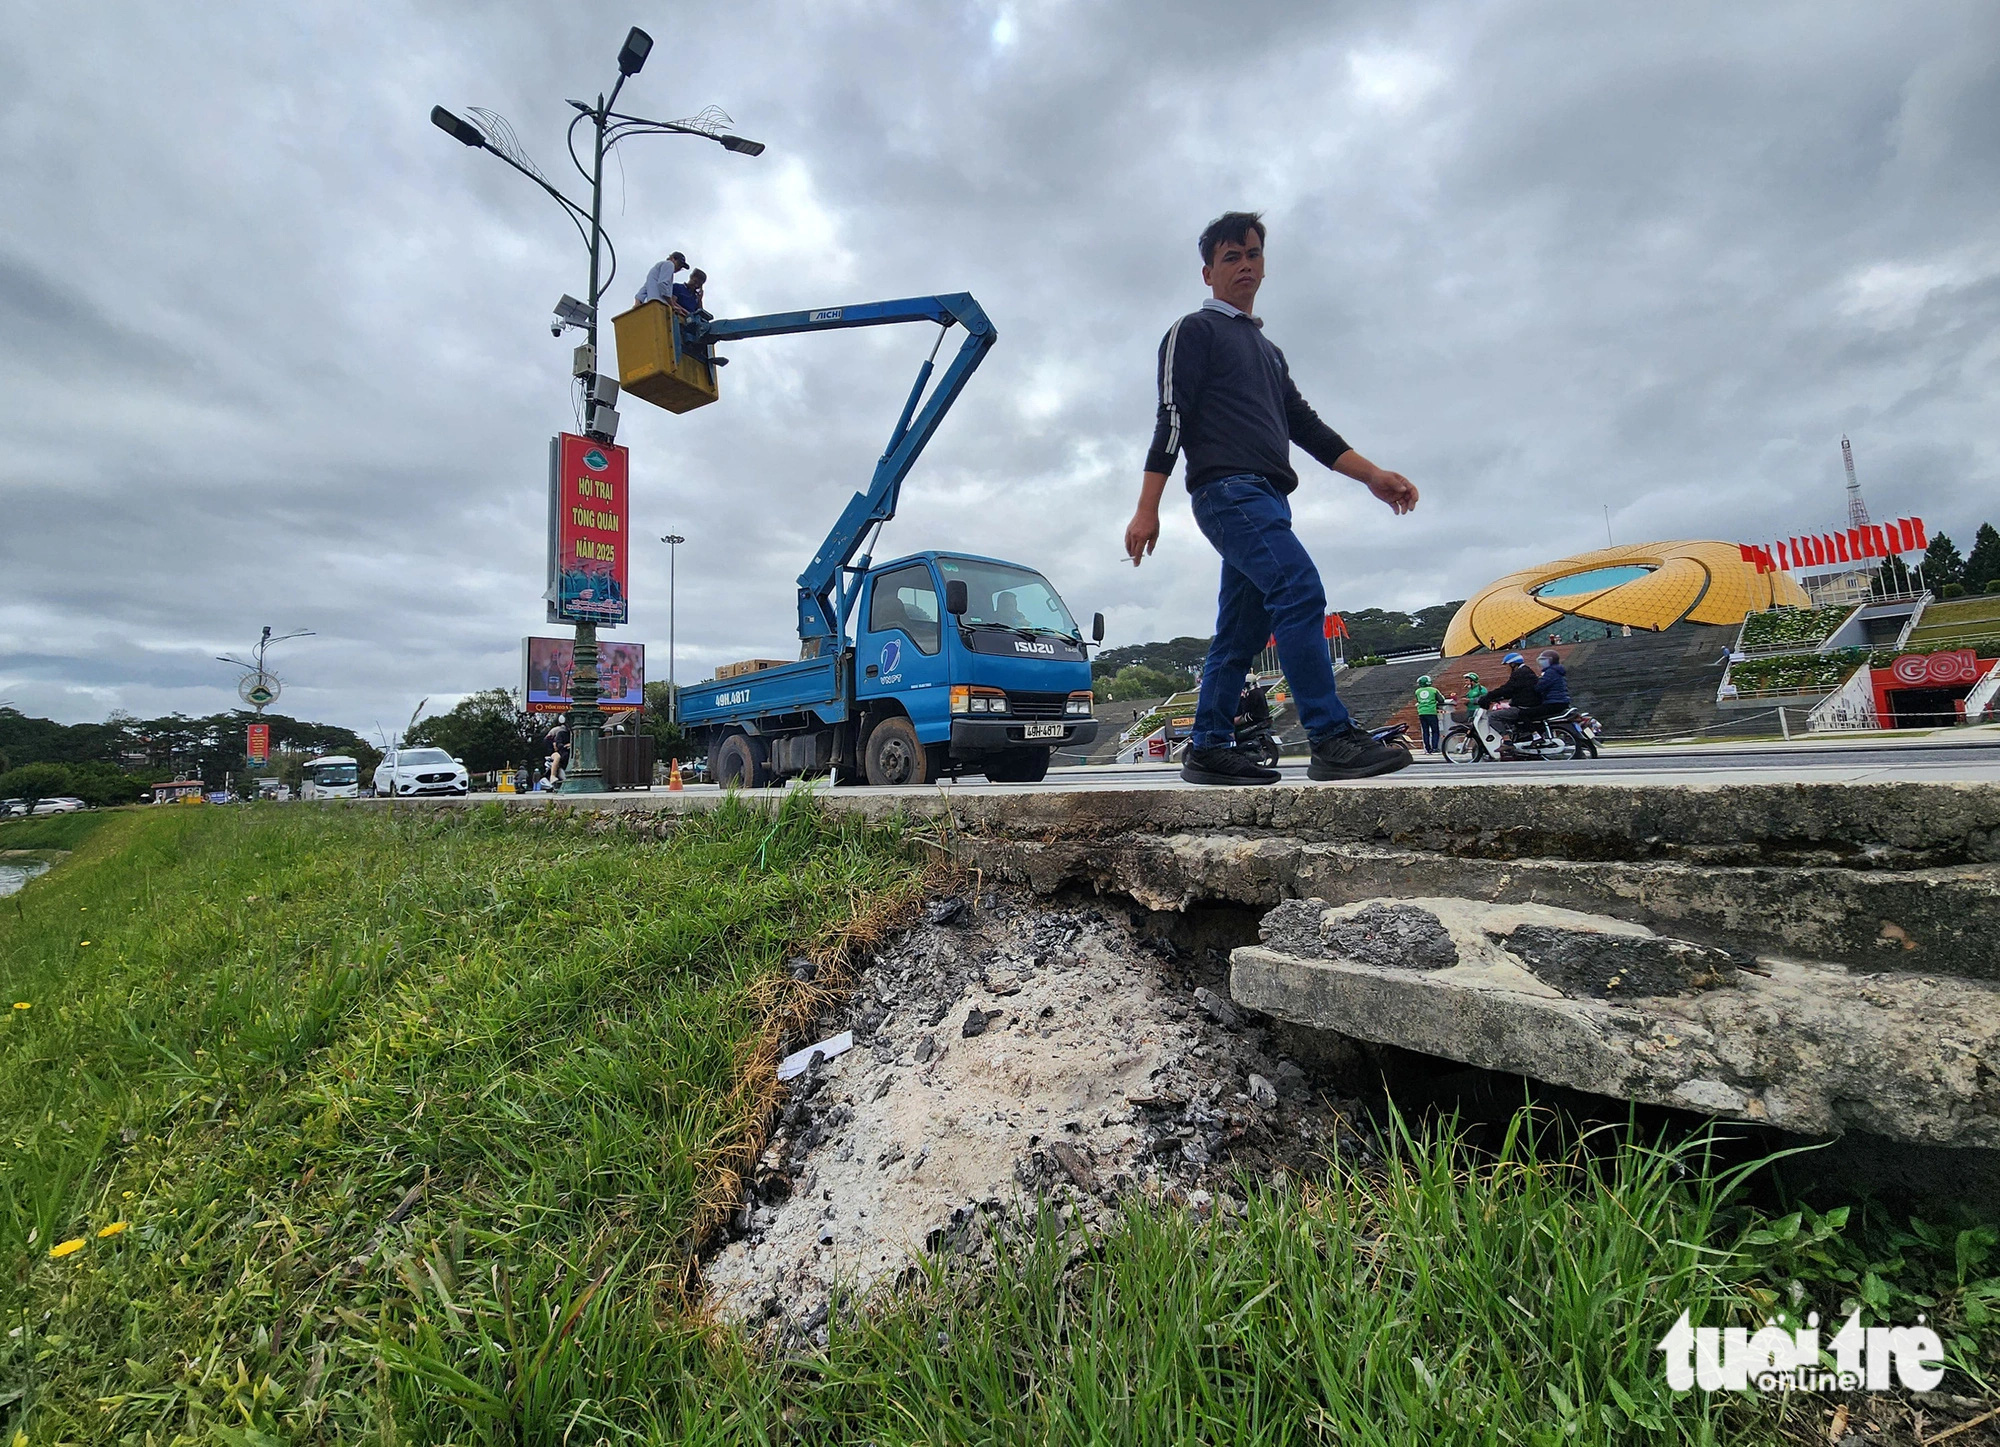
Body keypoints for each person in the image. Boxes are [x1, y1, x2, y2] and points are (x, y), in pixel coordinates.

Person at [1123, 211, 1418, 785]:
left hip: (1268, 498)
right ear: (1208, 272)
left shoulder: (1269, 351)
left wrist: (1372, 475)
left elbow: (1305, 427)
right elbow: (1172, 417)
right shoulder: (1195, 330)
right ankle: (1330, 737)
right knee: (1298, 589)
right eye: (1230, 257)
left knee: (1240, 633)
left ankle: (1209, 746)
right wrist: (1146, 507)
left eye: (1253, 254)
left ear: (1264, 265)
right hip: (1228, 493)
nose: (1244, 265)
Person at [1413, 674, 1443, 753]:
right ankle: (1435, 748)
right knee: (1435, 731)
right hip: (1431, 712)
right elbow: (1441, 700)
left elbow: (1418, 701)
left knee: (1425, 731)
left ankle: (1427, 748)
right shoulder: (1433, 690)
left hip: (1421, 713)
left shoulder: (1417, 691)